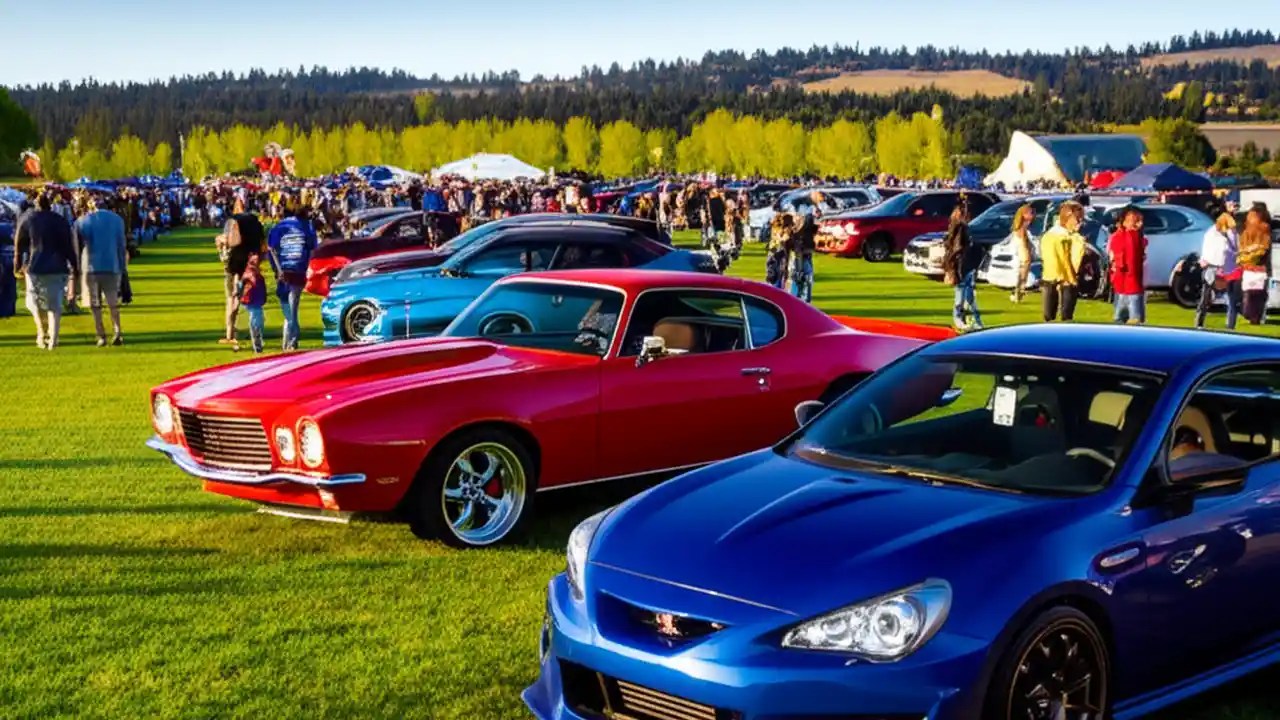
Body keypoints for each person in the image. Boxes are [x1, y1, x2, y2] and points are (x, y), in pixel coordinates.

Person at [13, 194, 77, 349]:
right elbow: (68, 245)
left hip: (35, 267)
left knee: (35, 302)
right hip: (57, 266)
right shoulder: (60, 220)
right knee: (55, 304)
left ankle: (42, 333)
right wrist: (74, 266)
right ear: (50, 204)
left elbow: (19, 244)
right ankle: (53, 338)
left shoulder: (28, 219)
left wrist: (17, 264)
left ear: (36, 204)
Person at [73, 197, 129, 346]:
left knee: (95, 304)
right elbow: (121, 245)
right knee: (112, 302)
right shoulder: (117, 220)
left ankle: (101, 334)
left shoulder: (83, 221)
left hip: (91, 265)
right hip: (112, 264)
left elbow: (77, 244)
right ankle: (117, 330)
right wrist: (123, 266)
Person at [268, 204, 318, 350]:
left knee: (288, 307)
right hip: (298, 268)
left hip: (283, 269)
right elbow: (312, 248)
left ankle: (288, 342)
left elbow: (271, 248)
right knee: (293, 307)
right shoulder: (307, 227)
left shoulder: (279, 227)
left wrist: (276, 269)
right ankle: (291, 342)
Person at [1195, 202, 1241, 330]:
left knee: (1229, 298)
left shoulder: (1229, 232)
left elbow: (1235, 248)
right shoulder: (1213, 232)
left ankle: (1229, 325)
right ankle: (1200, 323)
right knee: (1207, 297)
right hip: (1214, 267)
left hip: (1224, 268)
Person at [1039, 200, 1087, 322]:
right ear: (1067, 218)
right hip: (1062, 278)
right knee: (1063, 316)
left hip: (1054, 277)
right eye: (1077, 218)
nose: (1080, 222)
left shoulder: (1058, 235)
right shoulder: (1060, 237)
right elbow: (1064, 260)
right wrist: (1072, 279)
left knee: (1052, 316)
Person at [942, 204, 983, 331]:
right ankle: (962, 319)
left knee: (968, 295)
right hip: (963, 266)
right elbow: (957, 248)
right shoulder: (961, 229)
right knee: (962, 295)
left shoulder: (959, 228)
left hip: (965, 266)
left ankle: (974, 320)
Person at [1108, 206, 1147, 325]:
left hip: (1124, 283)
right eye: (1134, 221)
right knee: (1134, 318)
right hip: (1130, 283)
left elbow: (1114, 257)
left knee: (1121, 317)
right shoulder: (1132, 237)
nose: (1137, 224)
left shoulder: (1122, 237)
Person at [1238, 203, 1272, 325]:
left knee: (1256, 295)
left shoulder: (1264, 230)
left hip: (1258, 269)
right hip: (1251, 269)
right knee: (1251, 294)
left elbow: (1263, 249)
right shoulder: (1247, 232)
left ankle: (1255, 317)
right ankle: (1252, 315)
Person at [235, 252, 268, 353]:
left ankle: (258, 340)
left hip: (256, 297)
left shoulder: (254, 270)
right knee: (256, 318)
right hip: (252, 298)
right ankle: (256, 342)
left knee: (260, 319)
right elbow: (245, 280)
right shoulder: (248, 271)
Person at [1008, 204, 1036, 303]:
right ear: (1024, 215)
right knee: (1022, 277)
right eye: (1031, 213)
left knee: (1022, 277)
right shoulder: (1022, 228)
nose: (1033, 215)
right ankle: (1017, 294)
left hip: (1022, 255)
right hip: (1024, 256)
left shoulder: (1021, 227)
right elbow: (1024, 243)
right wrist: (1028, 253)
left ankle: (1017, 294)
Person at [788, 211, 817, 302]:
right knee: (801, 279)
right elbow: (799, 251)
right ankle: (800, 300)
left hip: (802, 258)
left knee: (802, 280)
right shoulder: (800, 233)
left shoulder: (800, 232)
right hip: (801, 259)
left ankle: (799, 299)